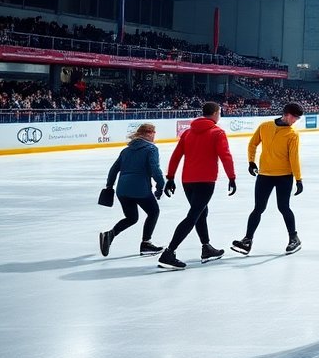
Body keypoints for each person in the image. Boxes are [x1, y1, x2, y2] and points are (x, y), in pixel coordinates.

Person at [158, 102, 236, 270]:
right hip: (205, 180)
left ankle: (206, 247)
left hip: (187, 181)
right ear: (215, 113)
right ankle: (169, 252)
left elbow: (176, 156)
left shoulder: (188, 132)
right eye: (219, 112)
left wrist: (170, 177)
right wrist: (232, 177)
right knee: (193, 215)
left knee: (201, 212)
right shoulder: (217, 132)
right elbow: (225, 156)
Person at [231, 103, 304, 256]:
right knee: (258, 208)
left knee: (283, 207)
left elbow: (294, 158)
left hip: (284, 176)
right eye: (294, 117)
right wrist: (251, 162)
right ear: (286, 114)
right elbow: (253, 143)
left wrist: (298, 179)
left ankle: (294, 238)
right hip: (264, 175)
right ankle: (247, 240)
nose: (295, 121)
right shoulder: (265, 126)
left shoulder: (292, 134)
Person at [99, 122, 165, 257]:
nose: (154, 136)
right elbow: (155, 169)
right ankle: (146, 243)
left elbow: (114, 169)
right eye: (153, 133)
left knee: (131, 217)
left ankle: (109, 235)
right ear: (147, 134)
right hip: (140, 188)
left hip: (122, 190)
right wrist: (160, 185)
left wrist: (109, 186)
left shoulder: (126, 150)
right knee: (153, 212)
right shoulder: (151, 149)